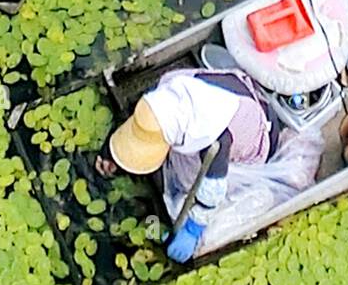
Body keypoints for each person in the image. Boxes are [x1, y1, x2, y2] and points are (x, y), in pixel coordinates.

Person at [95, 69, 283, 263]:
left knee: (187, 189)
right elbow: (144, 122)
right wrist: (114, 153)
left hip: (256, 137)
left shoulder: (214, 143)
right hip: (237, 94)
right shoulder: (169, 86)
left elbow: (212, 194)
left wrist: (192, 229)